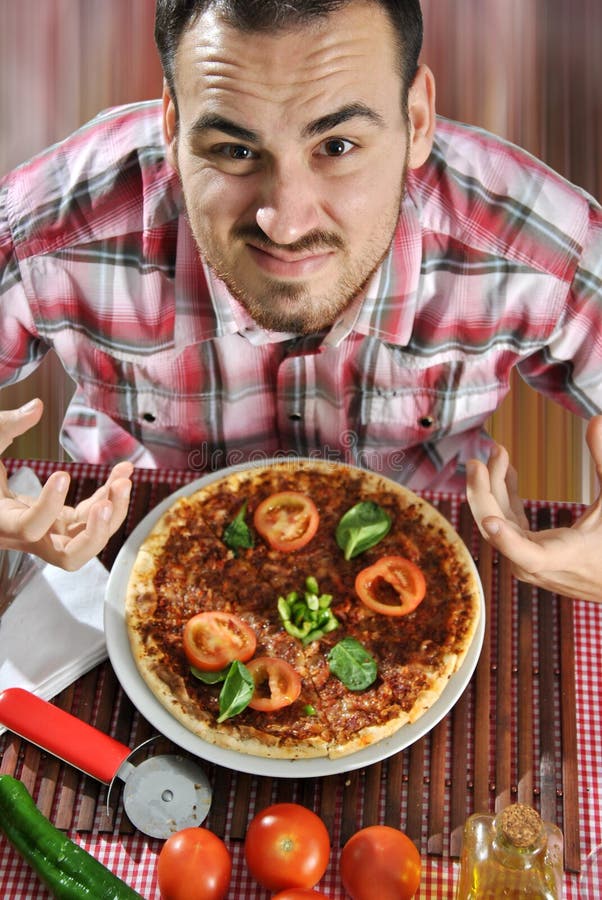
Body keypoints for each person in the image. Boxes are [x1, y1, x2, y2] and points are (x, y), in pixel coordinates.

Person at [0, 0, 601, 596]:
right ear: (172, 125)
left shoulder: (532, 239)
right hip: (112, 552)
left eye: (337, 146)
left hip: (430, 562)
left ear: (416, 119)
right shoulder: (47, 224)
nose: (284, 223)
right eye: (235, 150)